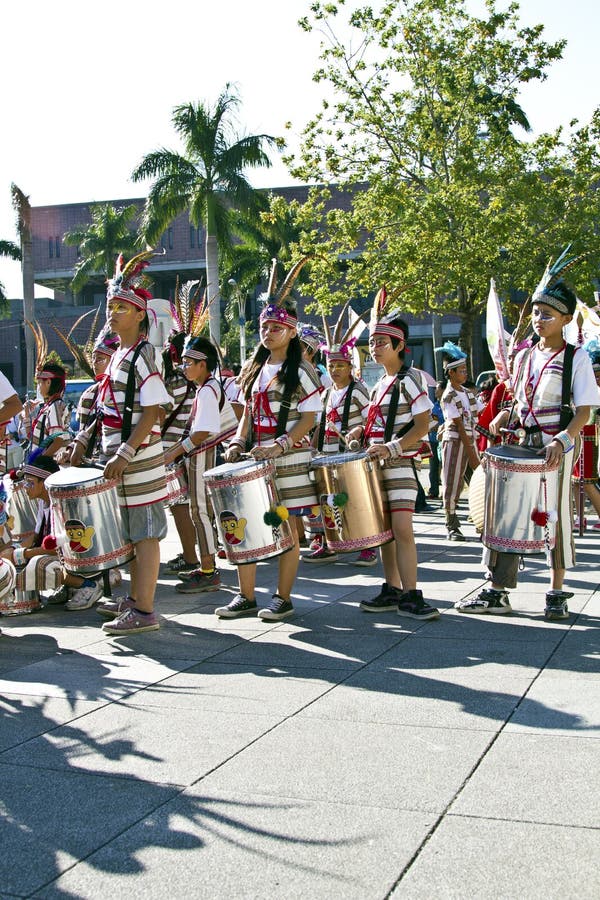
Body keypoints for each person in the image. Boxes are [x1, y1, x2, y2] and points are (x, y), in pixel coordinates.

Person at [456, 247, 600, 619]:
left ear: (565, 319)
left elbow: (584, 411)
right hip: (521, 444)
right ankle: (497, 590)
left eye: (547, 314)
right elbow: (519, 400)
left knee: (554, 515)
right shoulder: (523, 356)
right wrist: (505, 415)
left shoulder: (576, 358)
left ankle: (556, 592)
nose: (539, 320)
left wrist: (562, 441)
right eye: (536, 313)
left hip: (557, 446)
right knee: (504, 512)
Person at [214, 257, 322, 621]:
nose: (269, 332)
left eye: (277, 327)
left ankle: (283, 597)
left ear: (291, 331)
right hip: (255, 459)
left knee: (287, 529)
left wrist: (280, 445)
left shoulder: (302, 369)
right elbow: (247, 412)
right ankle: (245, 596)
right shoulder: (254, 368)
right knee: (246, 524)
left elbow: (309, 418)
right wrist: (237, 442)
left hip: (289, 460)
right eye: (264, 326)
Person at [75, 251, 170, 634]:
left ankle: (144, 610)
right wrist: (85, 442)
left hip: (140, 460)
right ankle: (134, 598)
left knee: (145, 534)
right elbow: (106, 410)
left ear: (139, 314)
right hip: (121, 461)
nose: (113, 313)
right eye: (111, 306)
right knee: (131, 533)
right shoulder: (118, 355)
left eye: (122, 308)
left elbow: (152, 412)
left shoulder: (144, 354)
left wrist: (126, 453)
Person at [346, 287, 439, 620]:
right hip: (378, 467)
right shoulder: (377, 385)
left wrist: (392, 447)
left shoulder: (409, 378)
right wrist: (360, 432)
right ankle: (392, 588)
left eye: (381, 342)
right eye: (372, 342)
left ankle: (412, 593)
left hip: (401, 465)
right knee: (385, 532)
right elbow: (378, 424)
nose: (374, 348)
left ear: (400, 346)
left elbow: (424, 423)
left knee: (401, 529)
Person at [164, 333, 238, 593]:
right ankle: (207, 566)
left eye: (188, 363)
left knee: (200, 512)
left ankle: (208, 571)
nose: (183, 367)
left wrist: (173, 453)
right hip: (201, 455)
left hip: (201, 456)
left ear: (202, 364)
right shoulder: (207, 387)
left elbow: (202, 433)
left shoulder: (207, 390)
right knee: (201, 512)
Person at [303, 302, 372, 565]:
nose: (334, 370)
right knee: (327, 499)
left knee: (356, 500)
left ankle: (368, 547)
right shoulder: (326, 393)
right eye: (331, 365)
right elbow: (320, 424)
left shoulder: (359, 391)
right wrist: (312, 445)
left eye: (340, 365)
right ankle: (328, 543)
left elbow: (370, 421)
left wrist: (356, 431)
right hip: (327, 456)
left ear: (350, 366)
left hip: (351, 456)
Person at [0, 454, 104, 614]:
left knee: (39, 564)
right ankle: (69, 586)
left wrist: (19, 554)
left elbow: (60, 549)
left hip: (77, 558)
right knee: (13, 560)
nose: (26, 487)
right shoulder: (43, 502)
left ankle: (88, 586)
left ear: (44, 483)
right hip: (60, 557)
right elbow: (36, 537)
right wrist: (13, 549)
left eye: (30, 482)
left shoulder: (62, 505)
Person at [435, 342, 482, 541]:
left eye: (465, 370)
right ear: (451, 373)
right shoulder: (448, 395)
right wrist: (471, 451)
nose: (465, 373)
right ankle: (451, 525)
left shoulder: (468, 392)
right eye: (461, 371)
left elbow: (480, 413)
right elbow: (459, 425)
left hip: (470, 441)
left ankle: (481, 521)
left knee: (479, 482)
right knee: (452, 482)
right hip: (455, 441)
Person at [572, 338, 600, 529]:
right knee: (576, 481)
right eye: (594, 374)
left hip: (592, 438)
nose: (596, 378)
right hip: (579, 436)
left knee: (588, 481)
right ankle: (579, 517)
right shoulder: (584, 387)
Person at [426, 382, 444, 499]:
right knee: (433, 467)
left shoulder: (447, 404)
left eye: (438, 389)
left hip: (444, 439)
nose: (435, 391)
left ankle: (446, 492)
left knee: (445, 467)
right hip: (433, 439)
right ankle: (433, 491)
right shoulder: (434, 406)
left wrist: (439, 426)